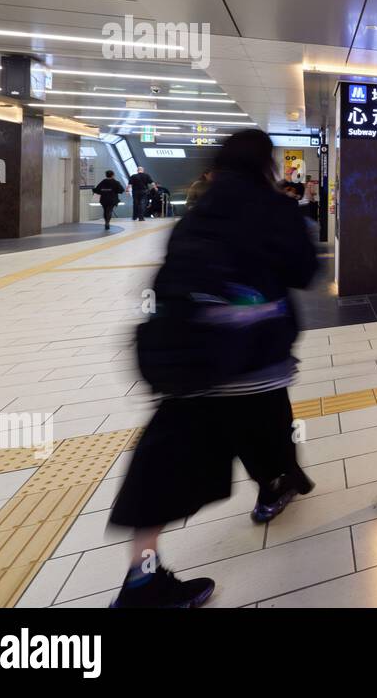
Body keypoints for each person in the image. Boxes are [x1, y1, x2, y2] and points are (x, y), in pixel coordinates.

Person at [108, 129, 318, 608]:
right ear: (267, 165)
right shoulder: (276, 210)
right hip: (258, 364)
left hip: (193, 369)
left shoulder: (195, 215)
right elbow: (304, 272)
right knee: (270, 431)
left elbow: (167, 285)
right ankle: (273, 488)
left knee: (159, 474)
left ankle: (141, 581)